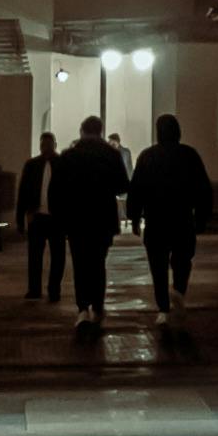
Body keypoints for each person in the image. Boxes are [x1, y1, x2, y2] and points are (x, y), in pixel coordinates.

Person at [136, 112, 213, 330]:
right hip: (182, 218)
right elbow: (203, 188)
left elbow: (137, 188)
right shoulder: (189, 155)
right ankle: (178, 291)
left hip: (156, 219)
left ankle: (163, 308)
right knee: (182, 259)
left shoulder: (148, 156)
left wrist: (134, 216)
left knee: (157, 265)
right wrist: (202, 216)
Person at [61, 109, 129, 337]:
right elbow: (122, 186)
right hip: (102, 218)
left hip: (76, 218)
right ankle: (98, 306)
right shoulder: (111, 154)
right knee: (98, 262)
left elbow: (58, 189)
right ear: (100, 131)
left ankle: (82, 308)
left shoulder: (69, 155)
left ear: (82, 131)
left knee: (80, 263)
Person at [15, 126, 63, 310]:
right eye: (43, 144)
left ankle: (54, 289)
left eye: (49, 144)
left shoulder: (61, 164)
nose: (46, 147)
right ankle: (34, 288)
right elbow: (23, 192)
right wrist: (21, 218)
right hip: (37, 217)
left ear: (55, 145)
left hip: (56, 218)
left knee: (58, 256)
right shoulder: (32, 165)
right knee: (35, 255)